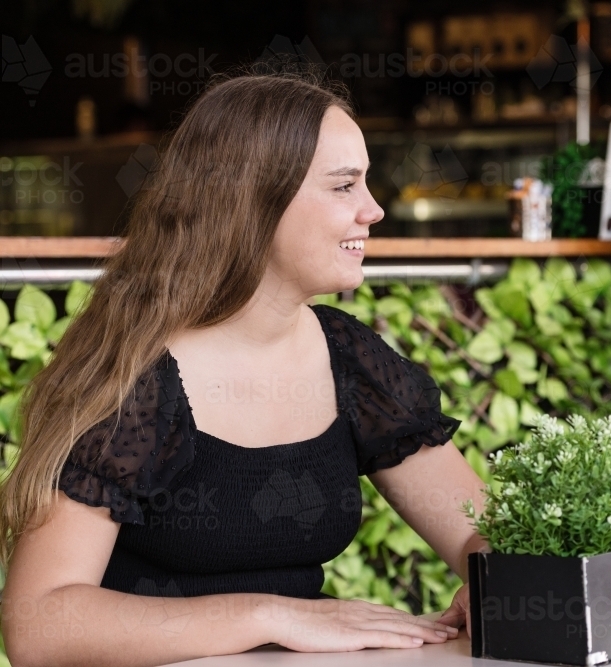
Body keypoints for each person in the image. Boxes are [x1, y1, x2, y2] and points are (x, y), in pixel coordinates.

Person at [0, 72, 485, 667]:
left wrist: (493, 581)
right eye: (344, 186)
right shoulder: (141, 380)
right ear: (257, 200)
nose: (374, 209)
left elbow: (475, 531)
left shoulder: (348, 358)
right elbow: (39, 624)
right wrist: (274, 614)